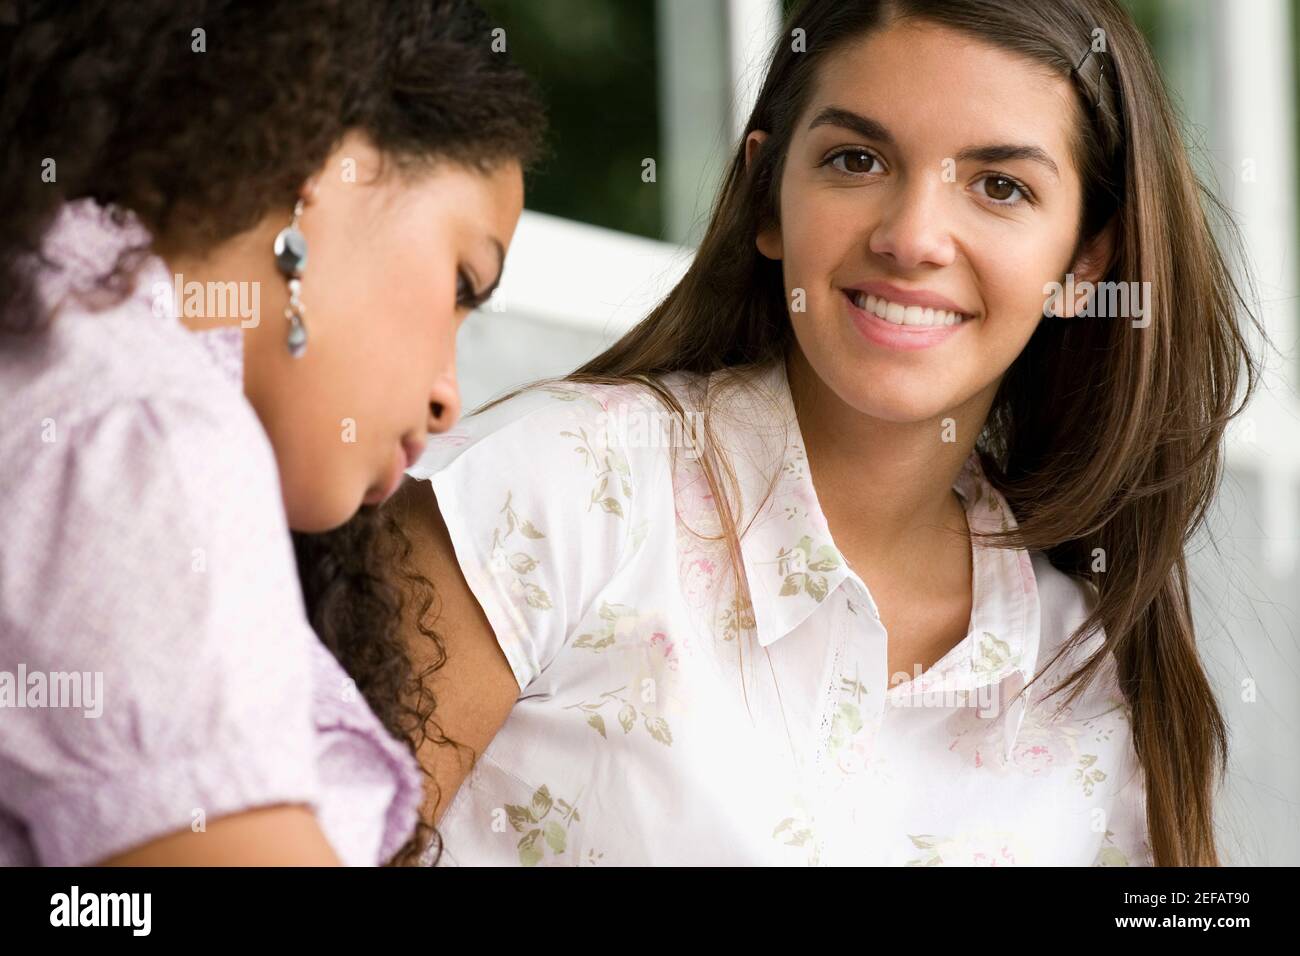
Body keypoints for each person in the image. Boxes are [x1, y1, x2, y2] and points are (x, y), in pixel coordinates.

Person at [388, 0, 1263, 865]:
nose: (913, 237)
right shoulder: (550, 492)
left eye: (1000, 186)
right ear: (769, 198)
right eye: (857, 159)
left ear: (1083, 264)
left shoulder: (1087, 672)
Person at [0, 0, 541, 865]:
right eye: (463, 283)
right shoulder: (148, 435)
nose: (449, 398)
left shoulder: (64, 349)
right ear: (329, 167)